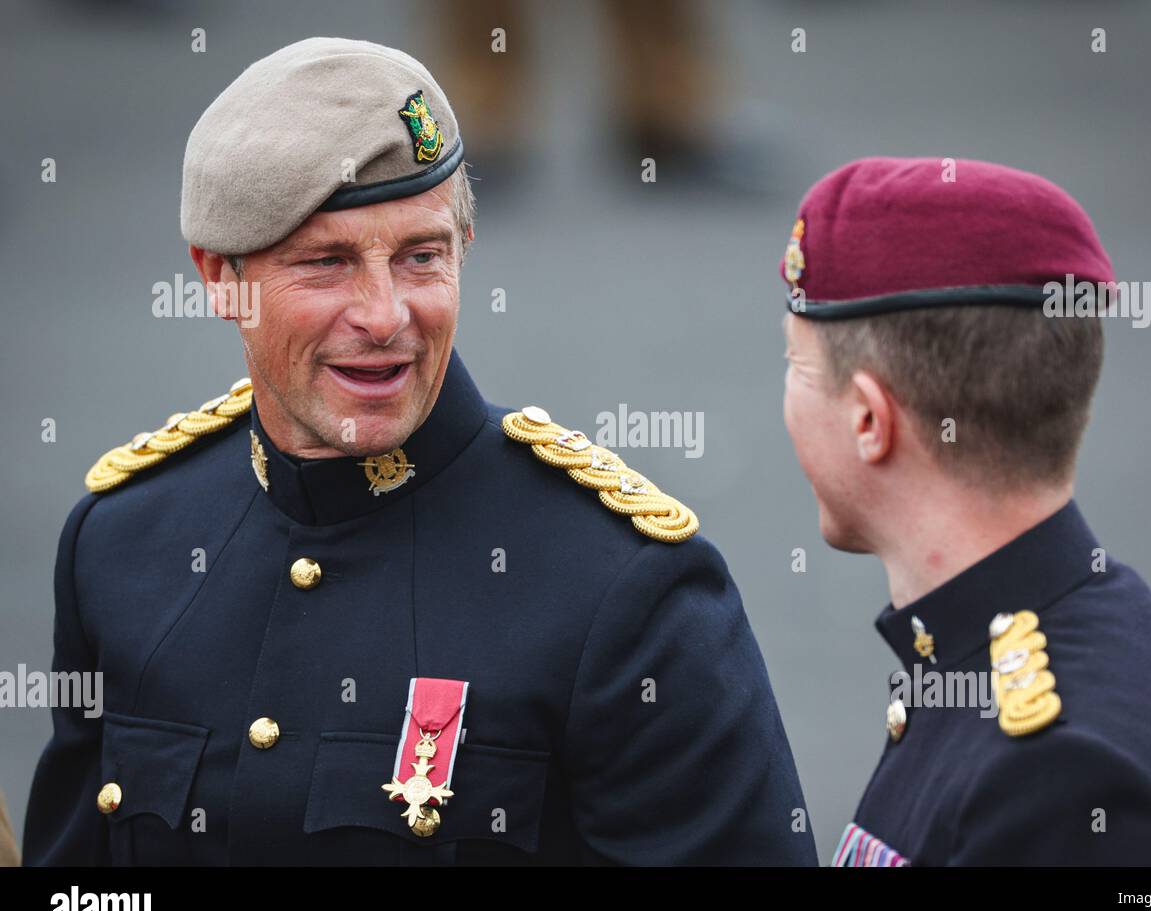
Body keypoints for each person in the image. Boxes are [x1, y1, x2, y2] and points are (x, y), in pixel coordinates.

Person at [22, 37, 815, 866]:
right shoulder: (120, 549)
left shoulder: (619, 587)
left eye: (421, 256)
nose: (385, 314)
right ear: (219, 279)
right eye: (326, 263)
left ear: (465, 250)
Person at [778, 156, 1151, 866]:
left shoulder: (1065, 784)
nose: (788, 397)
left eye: (796, 366)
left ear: (871, 419)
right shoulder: (1048, 657)